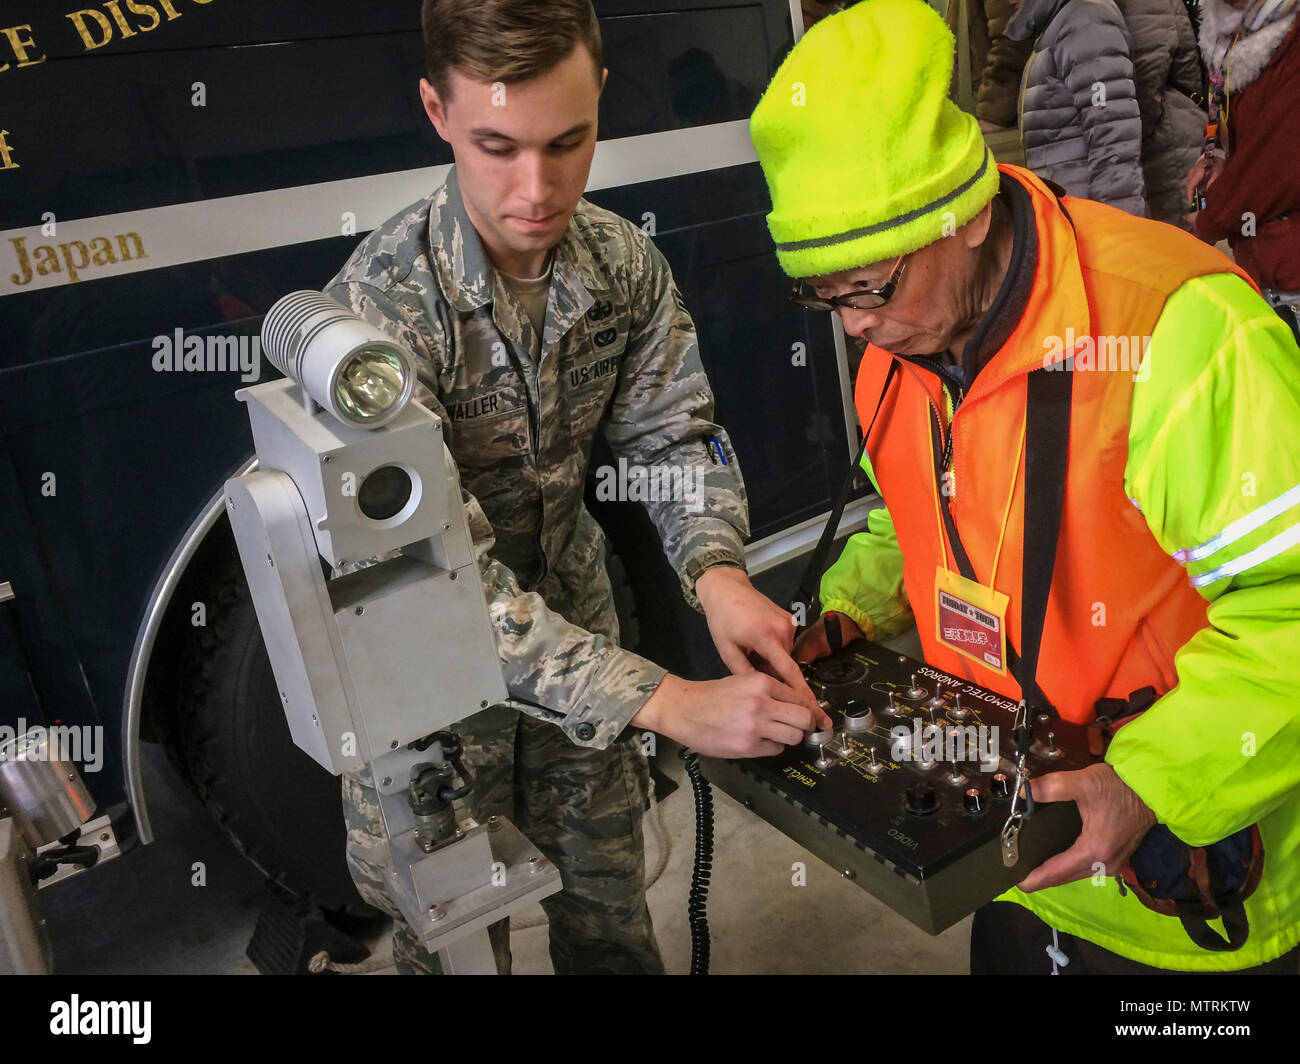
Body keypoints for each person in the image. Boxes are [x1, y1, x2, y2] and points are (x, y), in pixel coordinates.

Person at [751, 0, 1300, 973]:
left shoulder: (1176, 336)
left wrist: (1144, 779)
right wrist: (839, 614)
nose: (851, 329)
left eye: (867, 287)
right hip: (1010, 871)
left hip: (1182, 900)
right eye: (818, 295)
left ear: (961, 218)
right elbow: (915, 518)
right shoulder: (900, 350)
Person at [327, 0, 827, 975]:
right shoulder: (377, 321)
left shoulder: (619, 263)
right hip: (431, 705)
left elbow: (673, 434)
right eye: (496, 145)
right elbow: (438, 583)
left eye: (568, 142)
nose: (537, 187)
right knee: (462, 953)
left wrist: (715, 568)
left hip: (582, 645)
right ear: (436, 110)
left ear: (601, 93)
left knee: (612, 925)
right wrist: (665, 698)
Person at [1005, 0, 1206, 227]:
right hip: (1083, 213)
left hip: (1102, 216)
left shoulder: (1086, 20)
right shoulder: (1061, 23)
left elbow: (1115, 139)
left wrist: (1120, 234)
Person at [1185, 0, 1300, 343]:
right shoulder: (1235, 31)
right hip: (1268, 258)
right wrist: (1216, 152)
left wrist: (1212, 217)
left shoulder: (1289, 36)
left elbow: (1276, 163)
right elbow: (1248, 127)